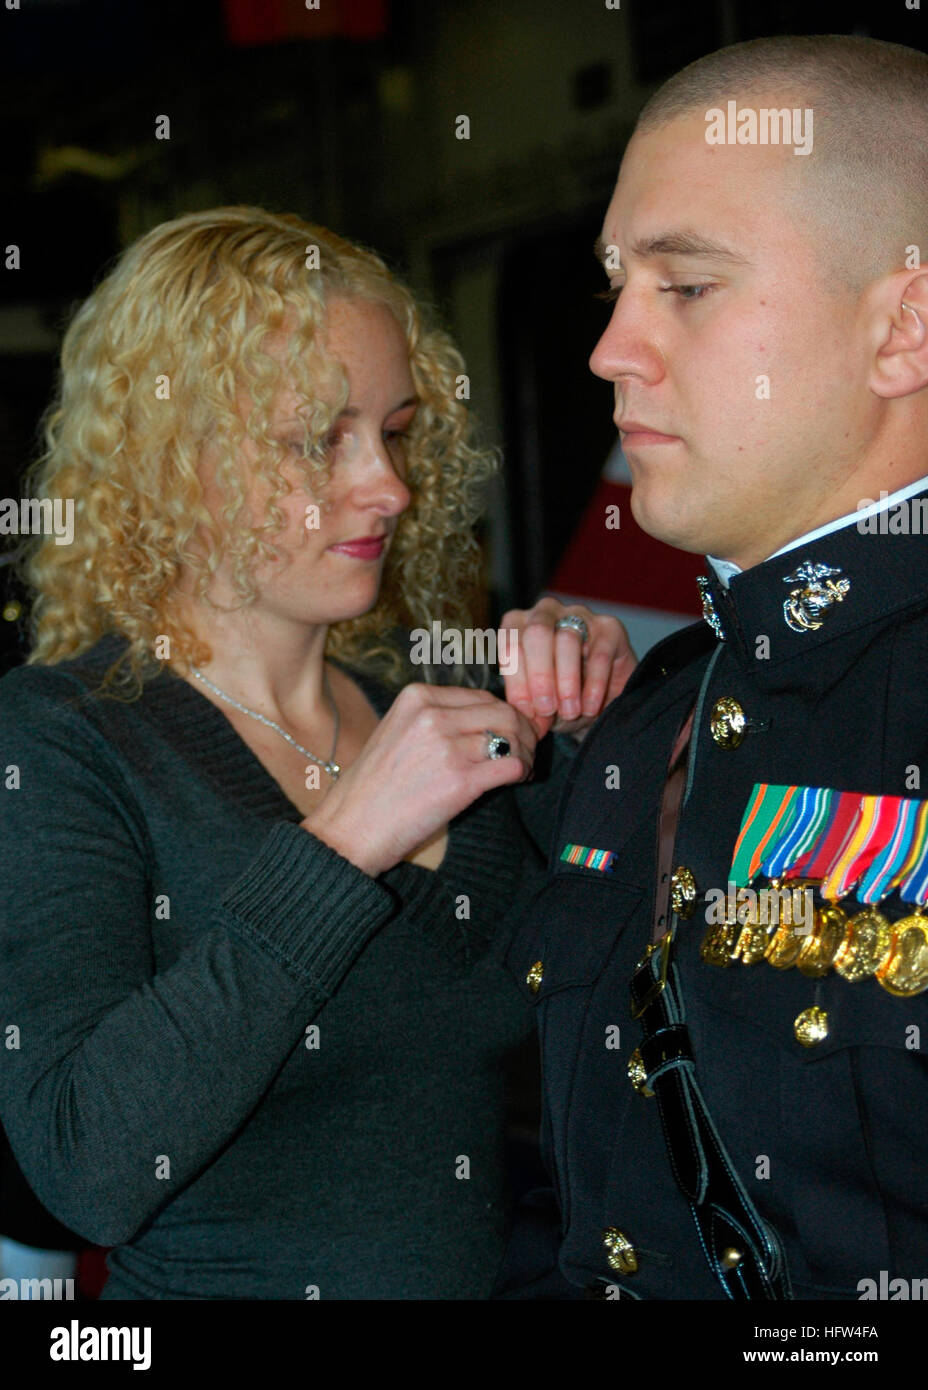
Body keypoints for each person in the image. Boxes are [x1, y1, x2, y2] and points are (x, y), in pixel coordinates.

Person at [0, 207, 635, 1300]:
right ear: (171, 460)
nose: (386, 484)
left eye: (393, 430)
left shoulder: (442, 729)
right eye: (318, 439)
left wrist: (594, 749)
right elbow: (83, 1170)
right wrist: (342, 846)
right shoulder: (64, 736)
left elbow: (644, 1024)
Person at [497, 33, 928, 1301]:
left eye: (684, 289)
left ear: (901, 326)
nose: (610, 351)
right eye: (614, 290)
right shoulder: (656, 717)